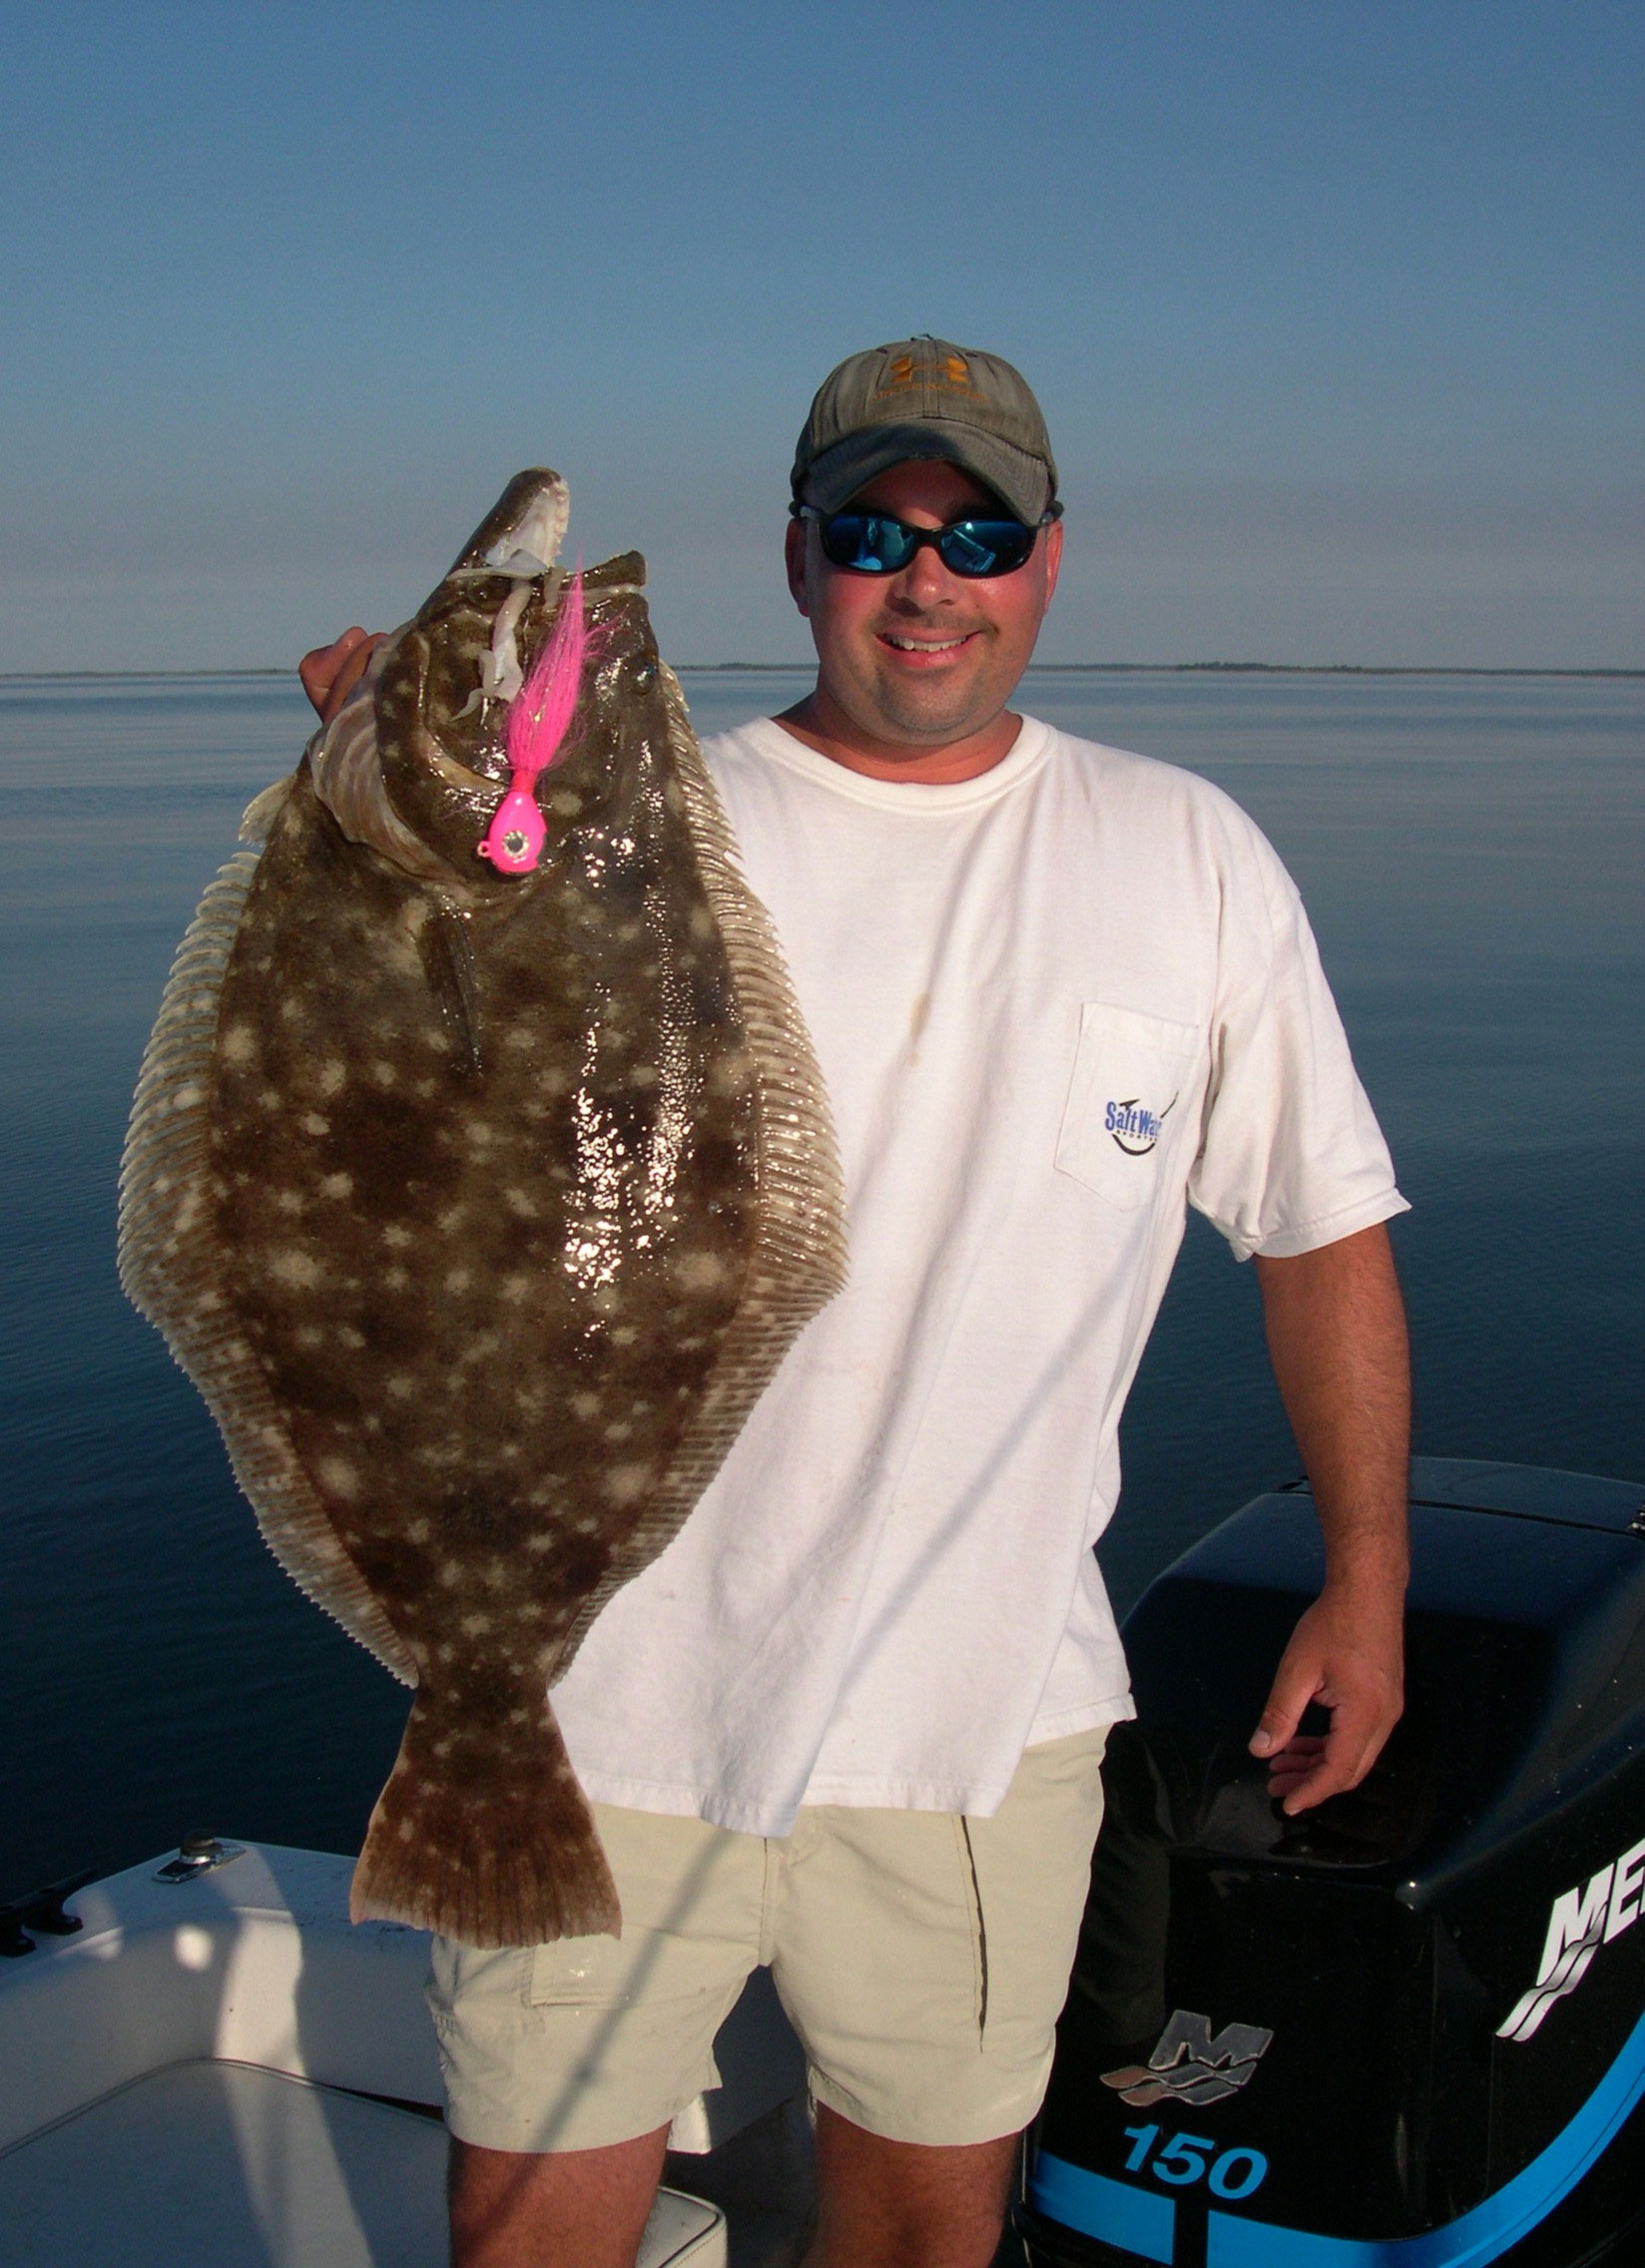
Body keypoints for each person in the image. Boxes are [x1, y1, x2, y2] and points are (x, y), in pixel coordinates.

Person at [300, 339, 1411, 2268]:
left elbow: (1320, 1235)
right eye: (873, 531)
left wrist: (1369, 1581)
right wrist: (372, 814)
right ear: (798, 561)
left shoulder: (1189, 855)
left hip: (980, 1720)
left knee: (921, 2229)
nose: (928, 577)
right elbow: (399, 1119)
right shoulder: (632, 835)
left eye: (978, 532)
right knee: (528, 2228)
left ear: (1050, 560)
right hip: (594, 1703)